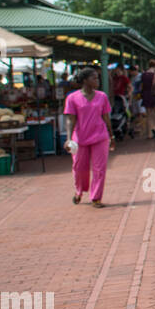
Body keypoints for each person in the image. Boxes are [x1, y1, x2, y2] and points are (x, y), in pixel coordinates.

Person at [63, 67, 115, 208]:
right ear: (85, 80)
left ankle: (96, 197)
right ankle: (79, 191)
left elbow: (106, 117)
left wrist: (111, 135)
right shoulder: (72, 98)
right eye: (94, 78)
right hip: (80, 138)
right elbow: (70, 120)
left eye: (97, 78)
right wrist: (68, 138)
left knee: (100, 168)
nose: (97, 80)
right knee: (79, 168)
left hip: (100, 136)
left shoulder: (102, 96)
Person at [139, 61, 155, 138]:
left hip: (146, 94)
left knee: (148, 115)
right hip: (154, 94)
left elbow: (141, 85)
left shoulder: (144, 74)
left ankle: (149, 133)